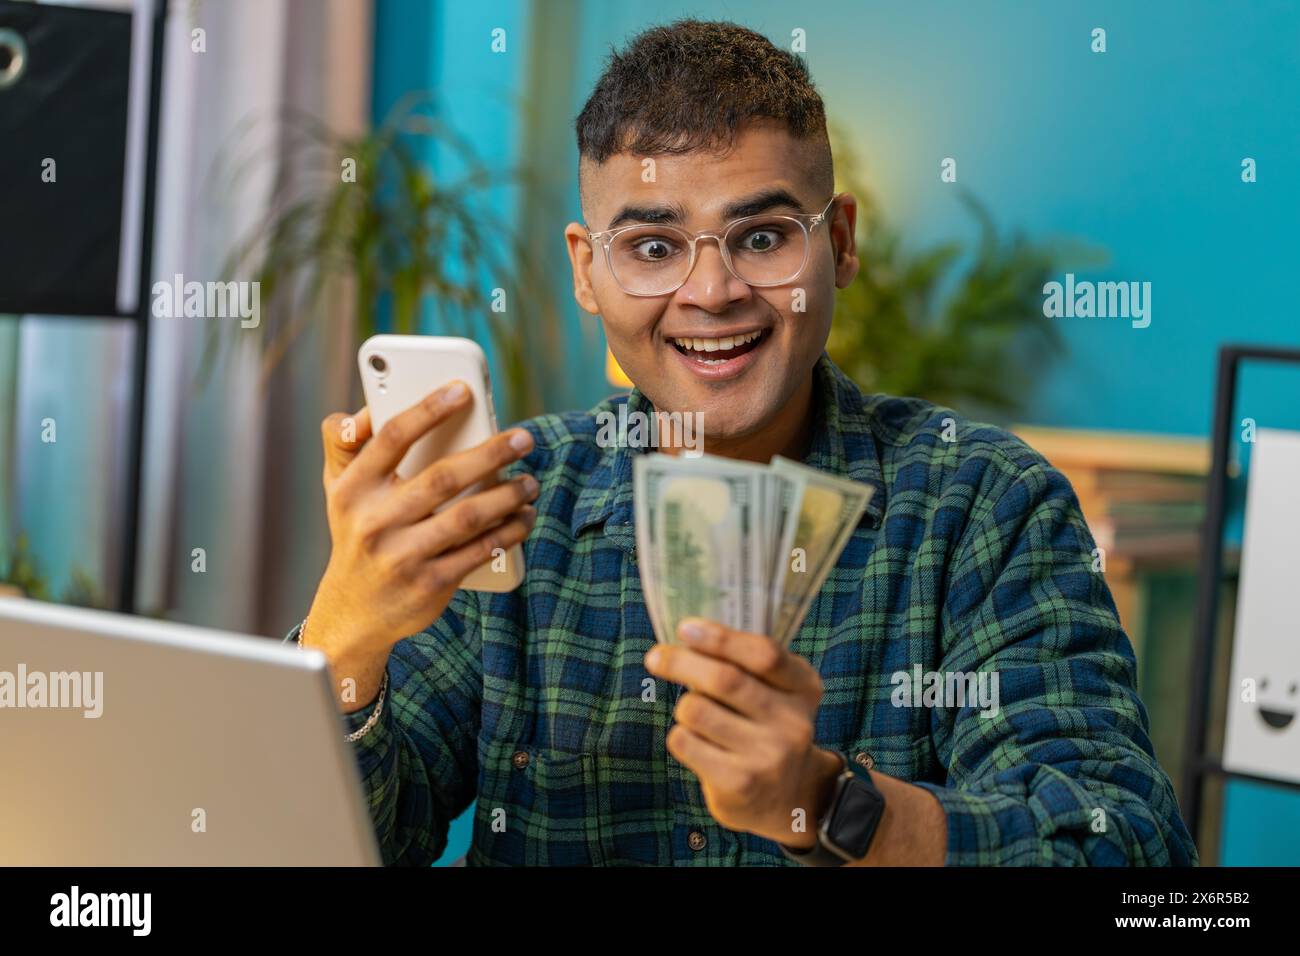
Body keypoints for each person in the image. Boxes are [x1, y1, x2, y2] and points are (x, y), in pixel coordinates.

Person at [296, 19, 1196, 866]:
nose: (713, 291)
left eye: (762, 237)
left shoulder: (985, 503)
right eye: (653, 247)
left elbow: (1119, 842)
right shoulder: (510, 503)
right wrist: (346, 641)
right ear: (588, 270)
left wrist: (824, 799)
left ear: (839, 244)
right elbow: (356, 840)